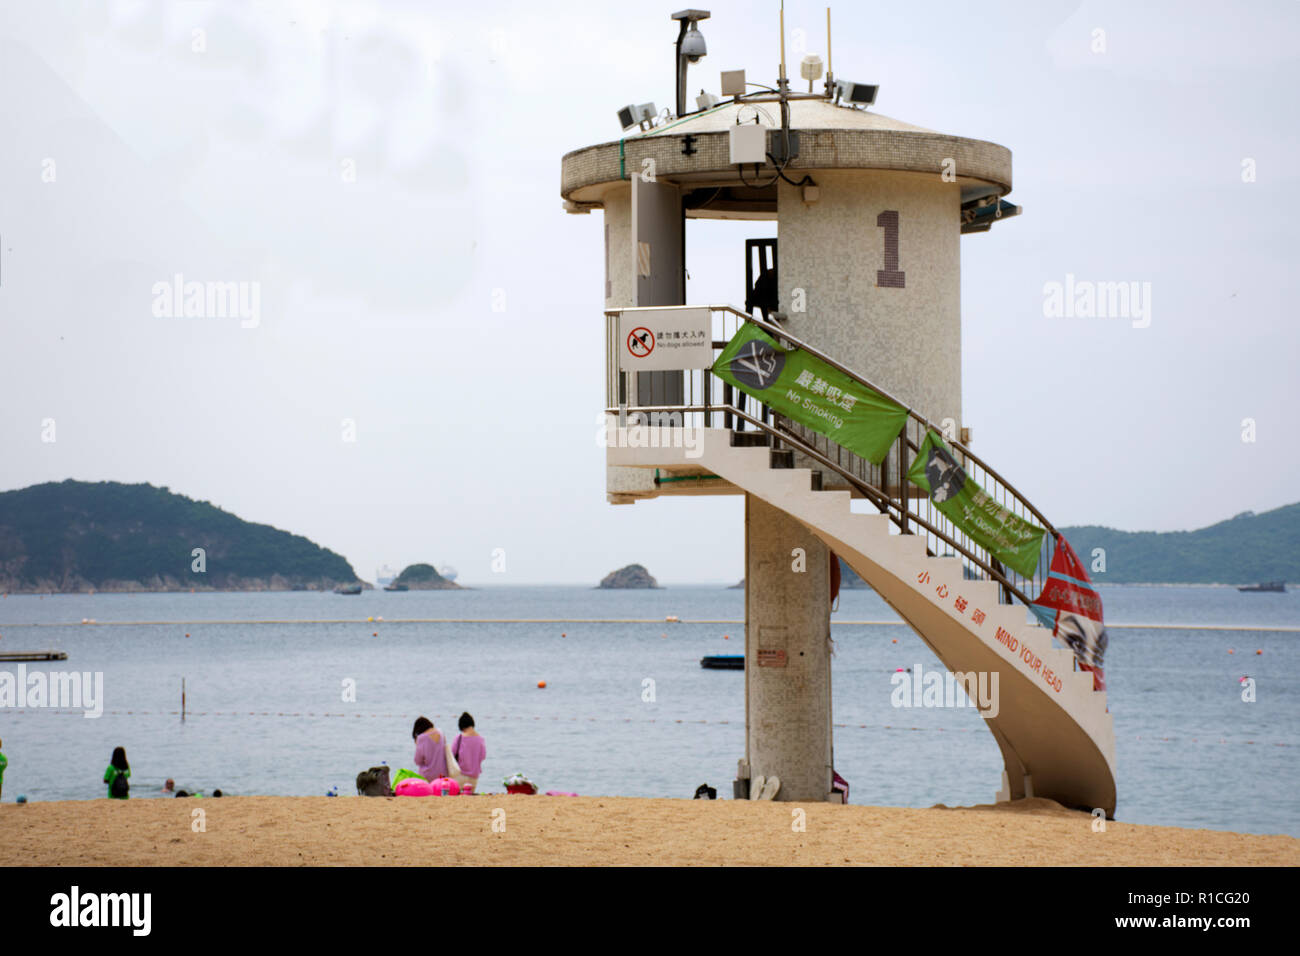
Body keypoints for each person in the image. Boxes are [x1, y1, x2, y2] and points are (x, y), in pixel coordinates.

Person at [452, 712, 486, 792]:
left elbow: (452, 755)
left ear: (461, 726)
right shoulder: (480, 739)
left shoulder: (459, 738)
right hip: (474, 777)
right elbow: (483, 756)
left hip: (460, 775)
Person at [412, 716, 448, 782]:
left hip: (428, 776)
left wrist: (417, 744)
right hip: (443, 774)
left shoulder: (421, 738)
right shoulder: (441, 733)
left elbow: (417, 761)